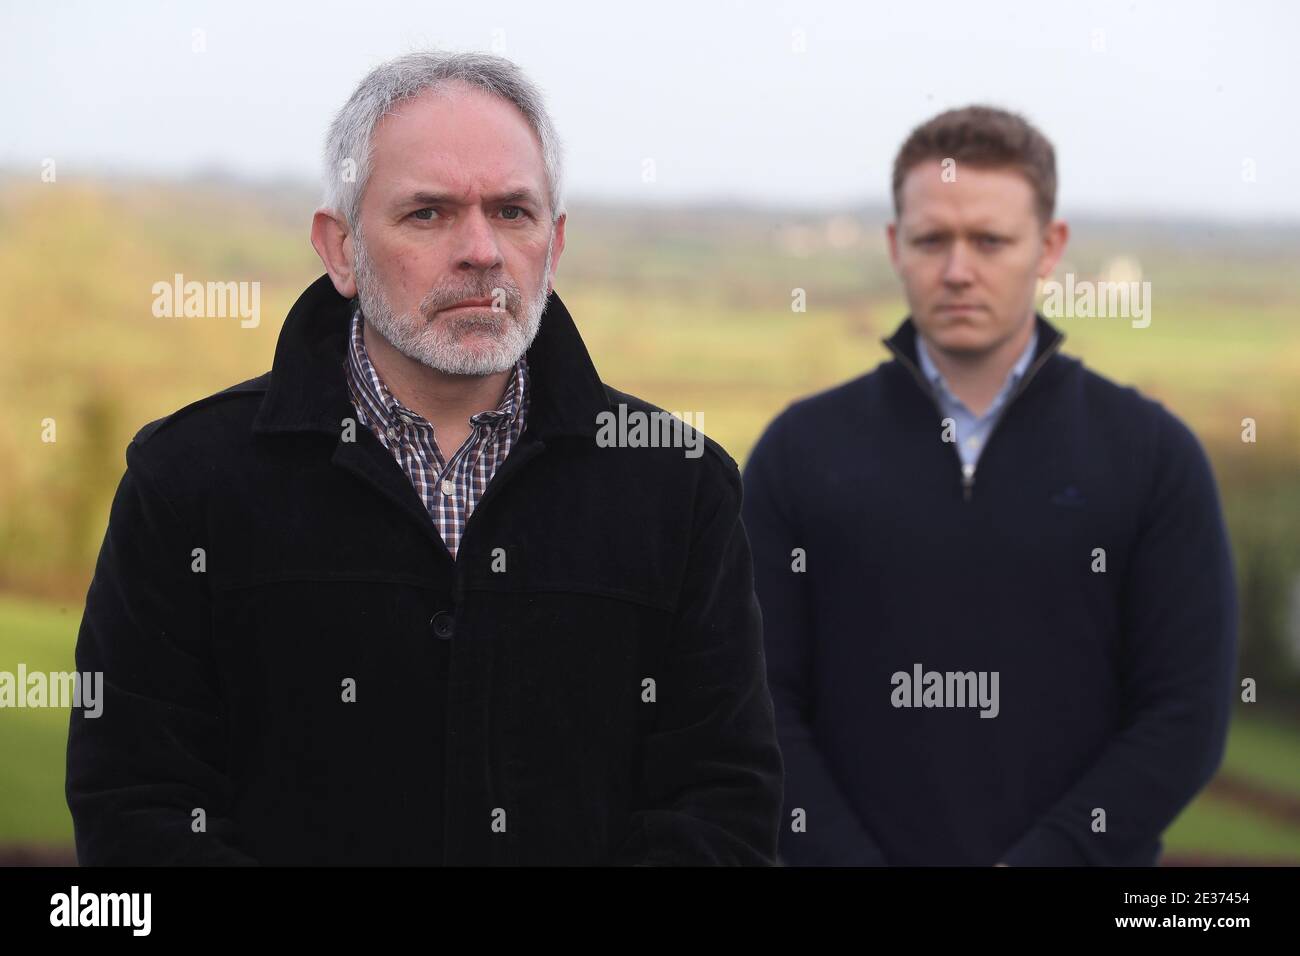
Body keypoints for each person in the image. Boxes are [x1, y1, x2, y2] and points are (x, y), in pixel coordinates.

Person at [66, 51, 782, 866]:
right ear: (339, 249)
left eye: (514, 212)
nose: (481, 249)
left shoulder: (678, 487)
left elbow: (722, 804)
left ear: (554, 245)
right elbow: (138, 806)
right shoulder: (188, 483)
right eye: (429, 214)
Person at [742, 105, 1237, 866]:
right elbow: (758, 701)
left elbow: (1186, 717)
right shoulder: (798, 453)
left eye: (991, 240)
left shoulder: (1153, 457)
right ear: (893, 246)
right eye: (932, 239)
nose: (958, 269)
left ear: (1050, 246)